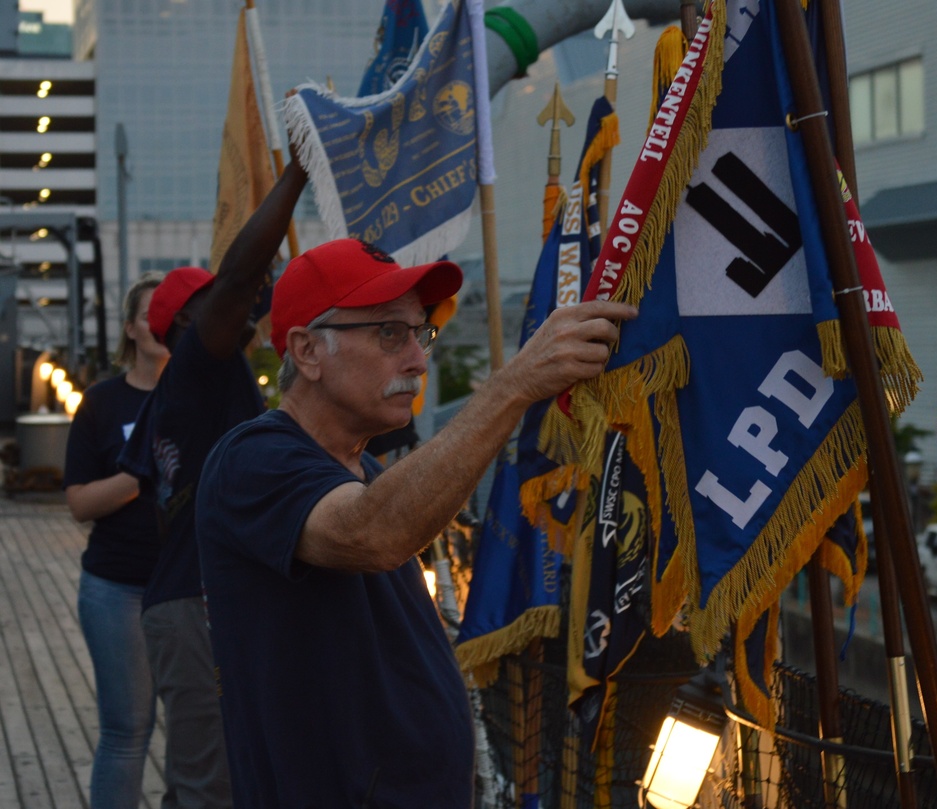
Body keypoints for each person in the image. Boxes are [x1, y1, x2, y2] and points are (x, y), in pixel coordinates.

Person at [195, 238, 636, 808]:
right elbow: (372, 534)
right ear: (307, 352)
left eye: (418, 333)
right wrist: (514, 385)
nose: (417, 358)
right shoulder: (252, 459)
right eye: (388, 334)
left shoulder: (365, 467)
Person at [118, 148, 307, 808]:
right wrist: (296, 176)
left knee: (228, 775)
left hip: (199, 602)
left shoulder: (185, 393)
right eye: (226, 297)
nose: (249, 297)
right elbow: (241, 277)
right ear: (191, 323)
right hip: (193, 608)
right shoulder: (197, 367)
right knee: (207, 788)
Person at [63, 272, 170, 809]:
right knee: (127, 732)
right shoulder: (102, 403)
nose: (161, 322)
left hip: (190, 589)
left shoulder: (204, 399)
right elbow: (80, 503)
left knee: (206, 731)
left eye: (172, 312)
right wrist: (138, 476)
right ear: (131, 328)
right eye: (150, 312)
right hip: (116, 589)